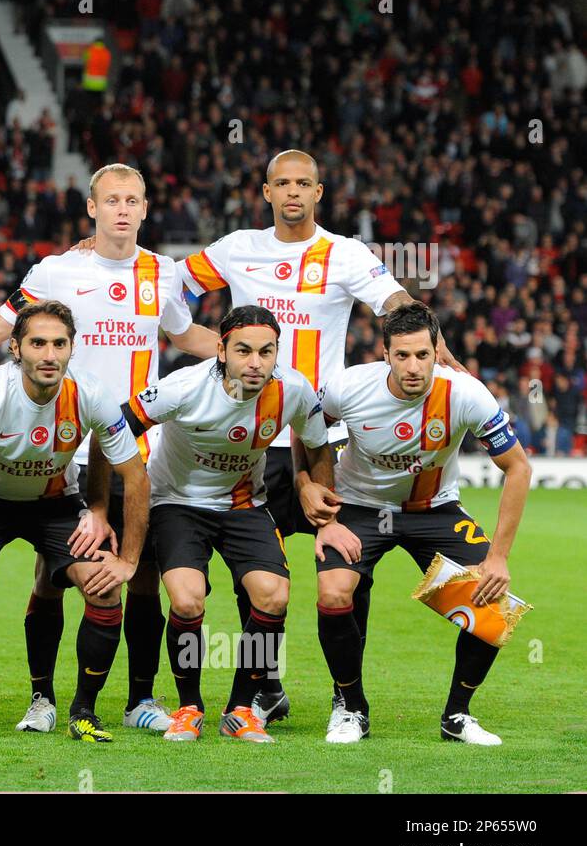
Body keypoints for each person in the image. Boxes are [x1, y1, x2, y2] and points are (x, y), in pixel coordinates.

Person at [174, 149, 465, 726]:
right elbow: (171, 291)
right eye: (281, 183)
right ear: (265, 192)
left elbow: (396, 304)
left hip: (322, 435)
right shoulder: (237, 249)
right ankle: (266, 686)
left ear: (319, 192)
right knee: (256, 574)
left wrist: (436, 347)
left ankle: (346, 695)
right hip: (251, 439)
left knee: (345, 566)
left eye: (303, 184)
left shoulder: (345, 254)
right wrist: (224, 352)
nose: (292, 193)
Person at [0, 163, 220, 734]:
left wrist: (255, 352)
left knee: (137, 576)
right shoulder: (57, 270)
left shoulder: (162, 274)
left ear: (144, 209)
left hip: (134, 447)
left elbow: (186, 337)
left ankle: (140, 698)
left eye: (132, 200)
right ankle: (43, 698)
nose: (122, 209)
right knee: (50, 576)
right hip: (65, 448)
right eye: (111, 199)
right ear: (91, 208)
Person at [0, 299, 150, 744]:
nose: (50, 355)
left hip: (54, 501)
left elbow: (134, 476)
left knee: (103, 584)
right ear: (16, 349)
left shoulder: (91, 392)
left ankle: (82, 711)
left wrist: (127, 556)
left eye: (59, 344)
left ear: (71, 349)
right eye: (37, 343)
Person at [303, 303, 531, 744]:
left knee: (494, 605)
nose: (413, 367)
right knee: (334, 593)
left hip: (434, 508)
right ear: (384, 353)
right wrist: (317, 500)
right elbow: (307, 435)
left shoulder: (465, 392)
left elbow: (518, 468)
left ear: (436, 352)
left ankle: (457, 716)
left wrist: (498, 557)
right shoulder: (348, 386)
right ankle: (350, 708)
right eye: (402, 355)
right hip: (360, 507)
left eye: (422, 355)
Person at [117, 305, 339, 743]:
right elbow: (116, 428)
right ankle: (188, 709)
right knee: (186, 601)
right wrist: (106, 506)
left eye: (266, 351)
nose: (255, 362)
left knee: (273, 596)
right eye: (243, 350)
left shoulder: (293, 389)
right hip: (177, 503)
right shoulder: (182, 387)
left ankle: (242, 709)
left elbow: (317, 446)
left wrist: (325, 514)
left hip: (244, 505)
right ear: (221, 350)